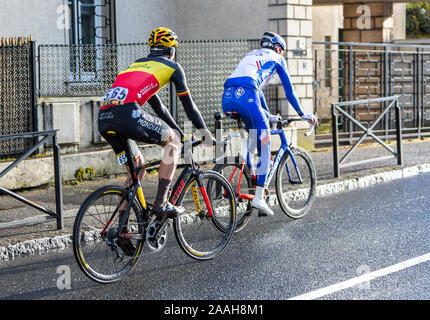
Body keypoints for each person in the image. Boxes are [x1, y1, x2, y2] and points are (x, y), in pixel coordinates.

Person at [98, 27, 213, 254]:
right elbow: (189, 106)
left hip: (104, 119)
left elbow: (159, 108)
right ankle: (161, 202)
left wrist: (178, 130)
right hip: (127, 114)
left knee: (137, 170)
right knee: (172, 143)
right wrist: (204, 132)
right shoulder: (172, 67)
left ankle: (122, 228)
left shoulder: (137, 66)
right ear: (171, 50)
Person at [222, 31, 317, 217]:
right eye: (283, 51)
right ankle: (258, 197)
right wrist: (302, 114)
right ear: (279, 48)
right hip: (247, 95)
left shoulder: (251, 55)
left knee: (255, 135)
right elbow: (289, 92)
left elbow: (257, 91)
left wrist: (268, 115)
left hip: (228, 96)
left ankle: (250, 173)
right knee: (265, 146)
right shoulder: (277, 58)